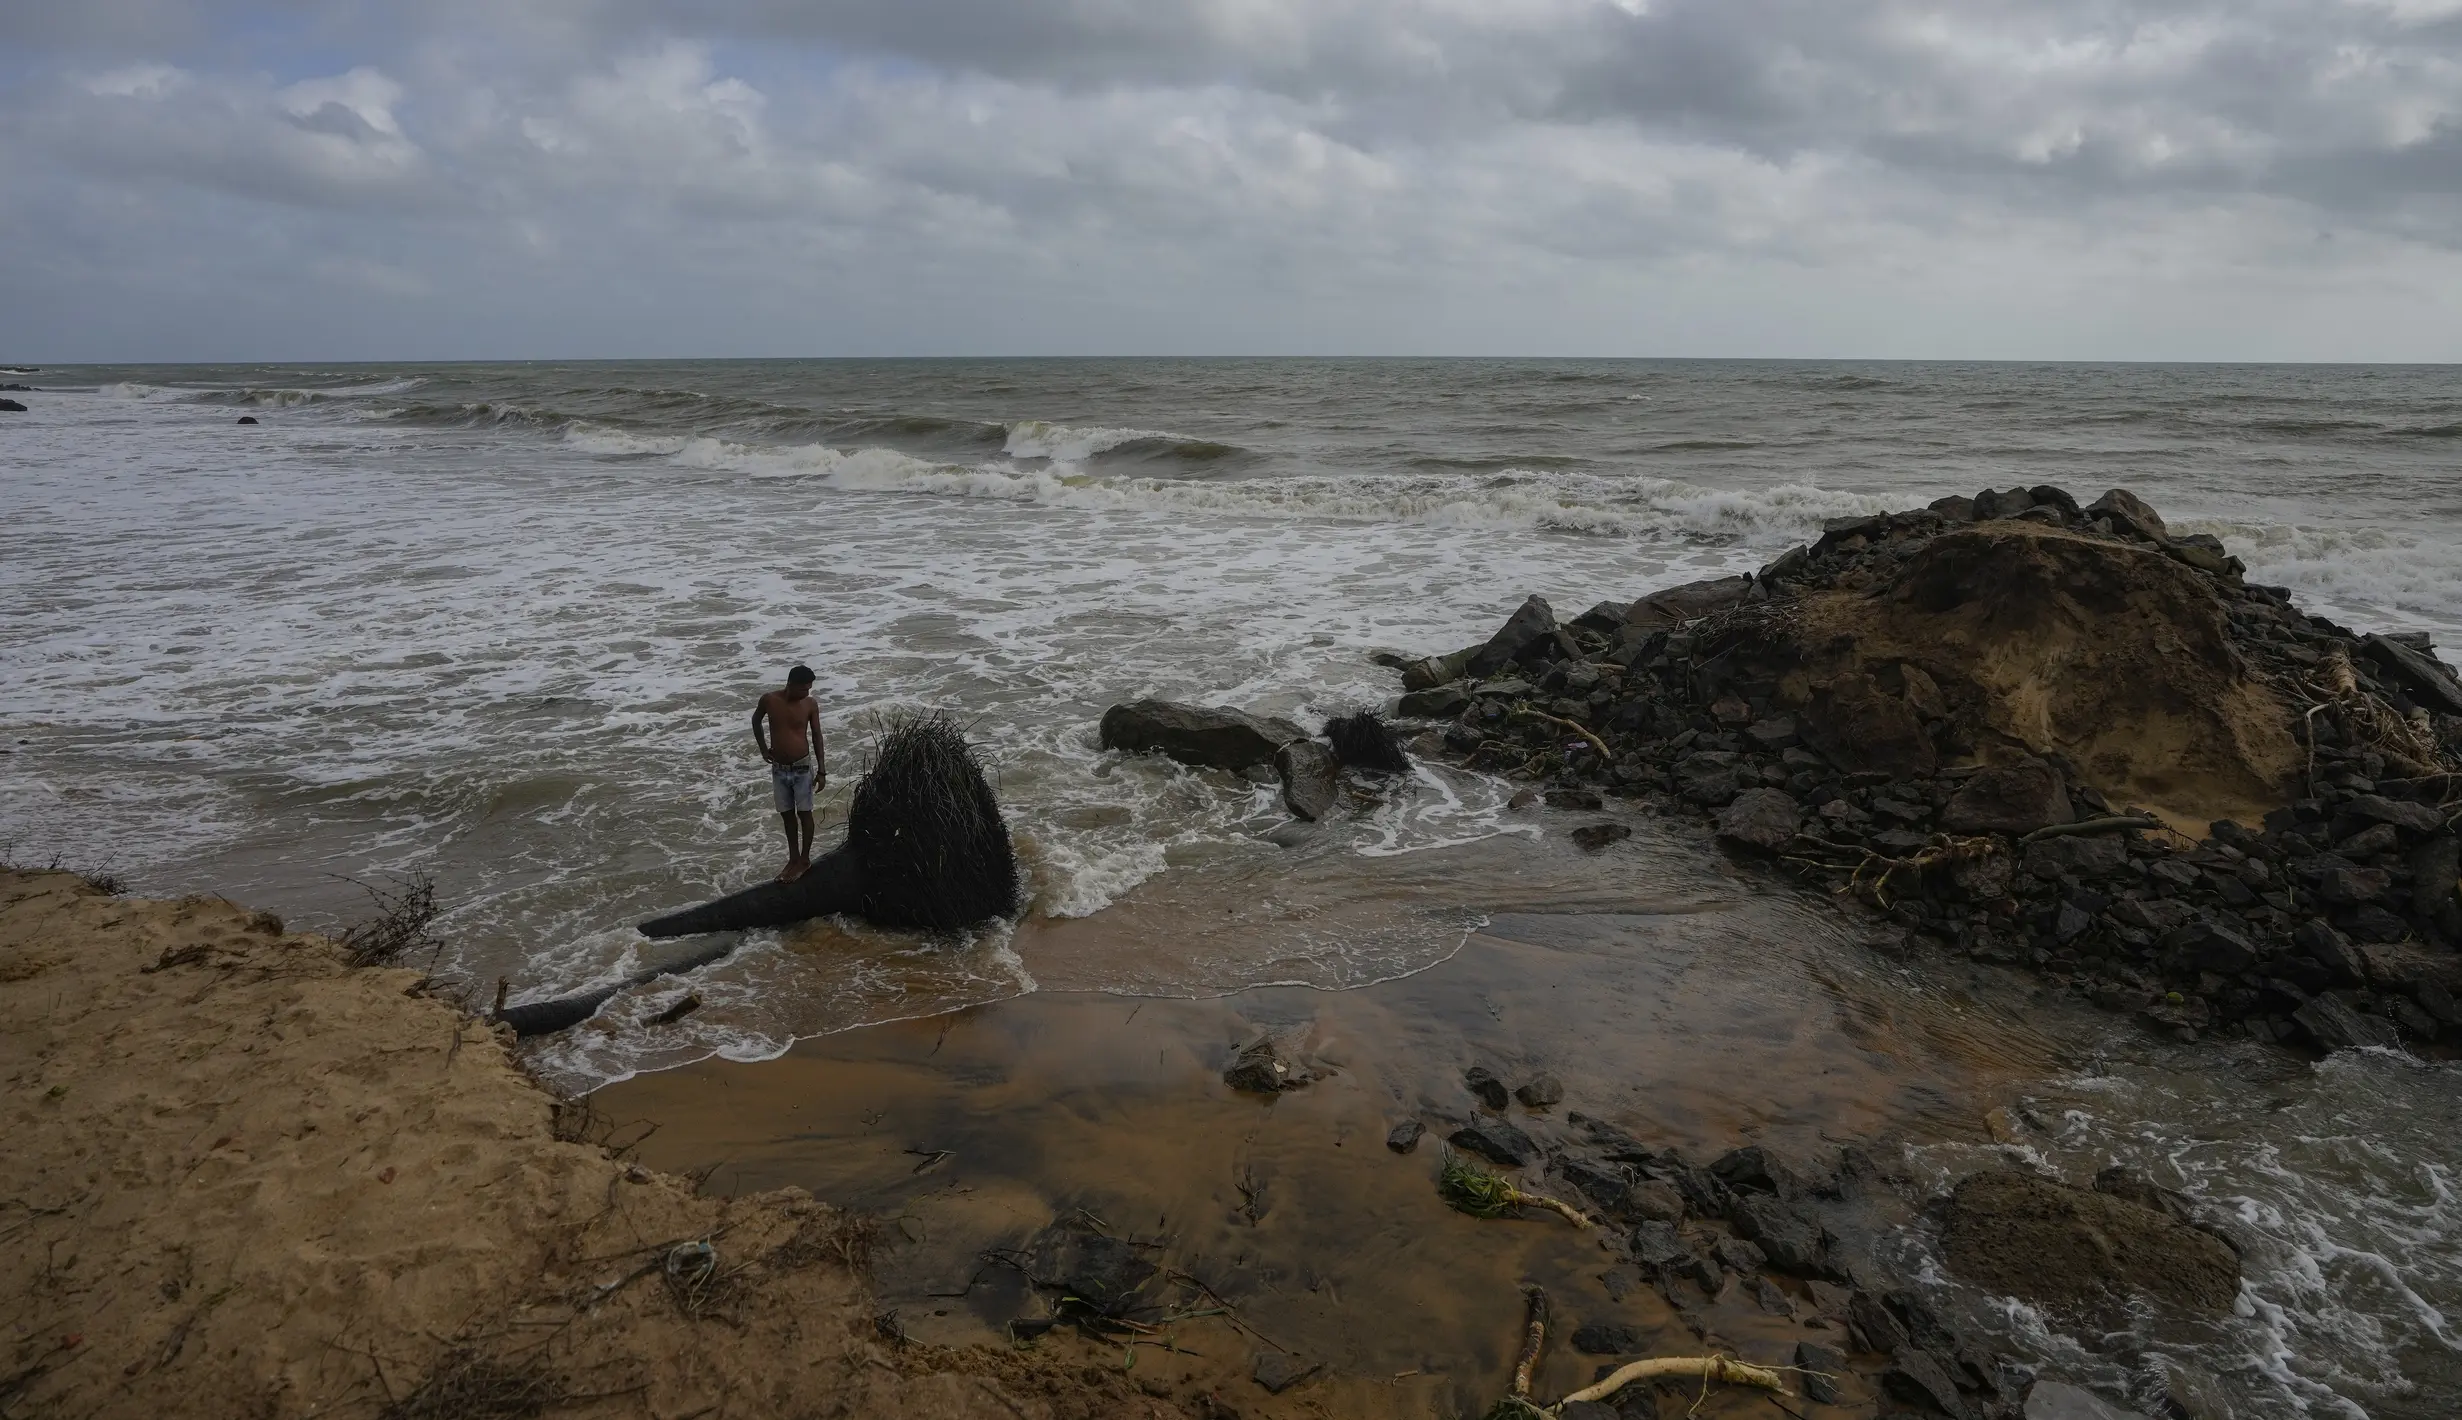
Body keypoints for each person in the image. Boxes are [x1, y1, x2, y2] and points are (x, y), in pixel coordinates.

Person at [752, 666, 827, 881]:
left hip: (802, 767)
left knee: (805, 814)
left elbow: (817, 736)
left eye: (809, 689)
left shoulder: (810, 704)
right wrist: (763, 748)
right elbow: (756, 721)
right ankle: (793, 858)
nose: (807, 693)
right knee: (787, 815)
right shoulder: (769, 700)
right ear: (790, 684)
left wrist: (821, 771)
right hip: (779, 769)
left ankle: (804, 859)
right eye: (803, 689)